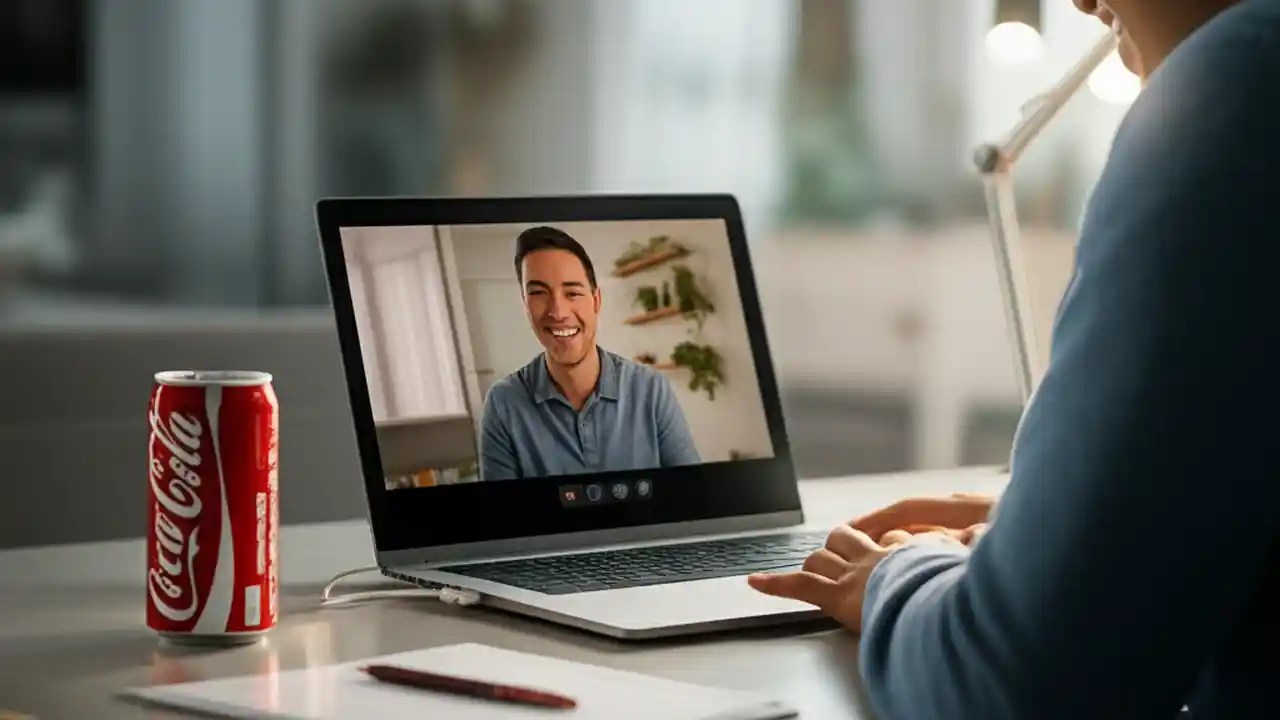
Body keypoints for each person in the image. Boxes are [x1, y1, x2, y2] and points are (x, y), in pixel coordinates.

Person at [749, 1, 1280, 718]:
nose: (1082, 2)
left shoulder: (1240, 91)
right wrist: (1076, 517)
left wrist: (894, 573)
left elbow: (1013, 691)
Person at [478, 226, 701, 481]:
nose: (558, 312)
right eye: (538, 293)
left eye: (572, 293)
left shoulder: (651, 388)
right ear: (525, 305)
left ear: (596, 301)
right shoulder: (503, 403)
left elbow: (691, 496)